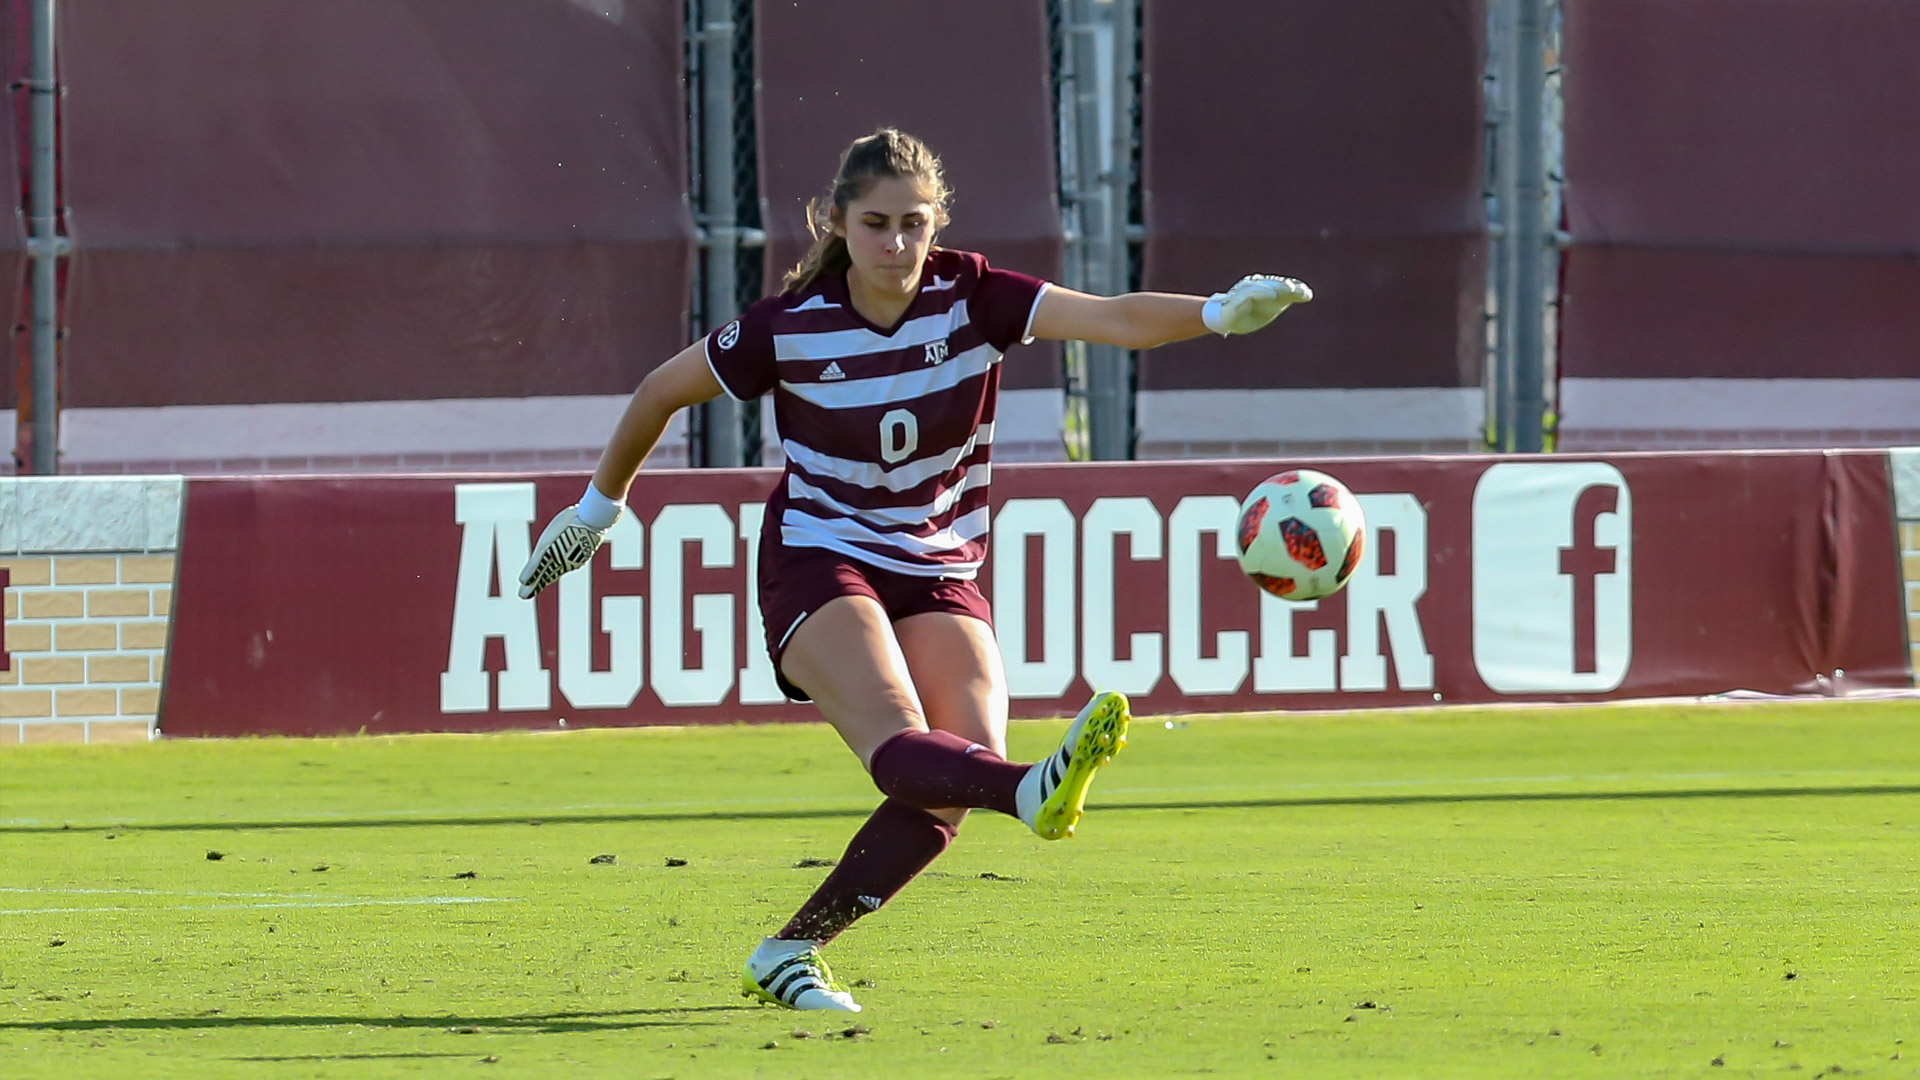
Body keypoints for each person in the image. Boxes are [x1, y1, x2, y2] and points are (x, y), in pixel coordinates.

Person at [516, 128, 1310, 1013]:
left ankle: (788, 952)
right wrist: (598, 510)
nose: (897, 245)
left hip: (935, 564)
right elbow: (660, 391)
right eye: (877, 224)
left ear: (938, 225)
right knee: (908, 747)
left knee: (952, 781)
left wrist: (1215, 313)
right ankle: (1031, 793)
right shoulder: (788, 328)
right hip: (820, 552)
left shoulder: (972, 298)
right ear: (837, 224)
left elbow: (1115, 318)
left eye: (915, 225)